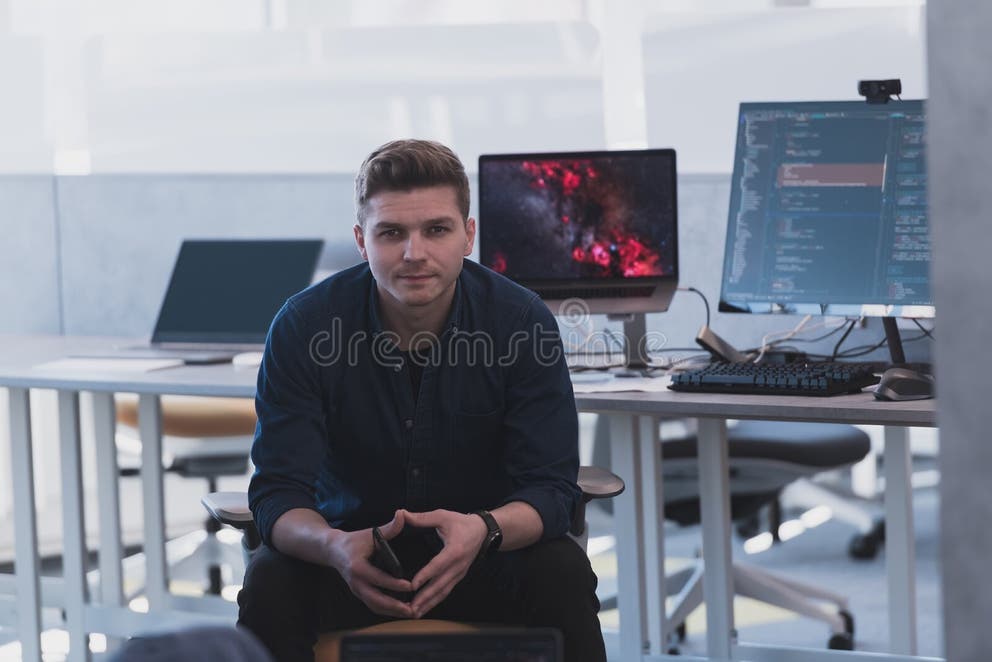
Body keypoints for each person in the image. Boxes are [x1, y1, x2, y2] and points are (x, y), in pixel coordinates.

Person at [237, 139, 605, 662]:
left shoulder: (521, 322)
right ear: (362, 241)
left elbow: (550, 488)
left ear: (468, 235)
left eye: (436, 230)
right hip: (349, 556)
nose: (414, 253)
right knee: (270, 582)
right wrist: (333, 547)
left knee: (562, 571)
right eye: (391, 233)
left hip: (485, 553)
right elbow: (278, 492)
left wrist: (485, 529)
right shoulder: (304, 326)